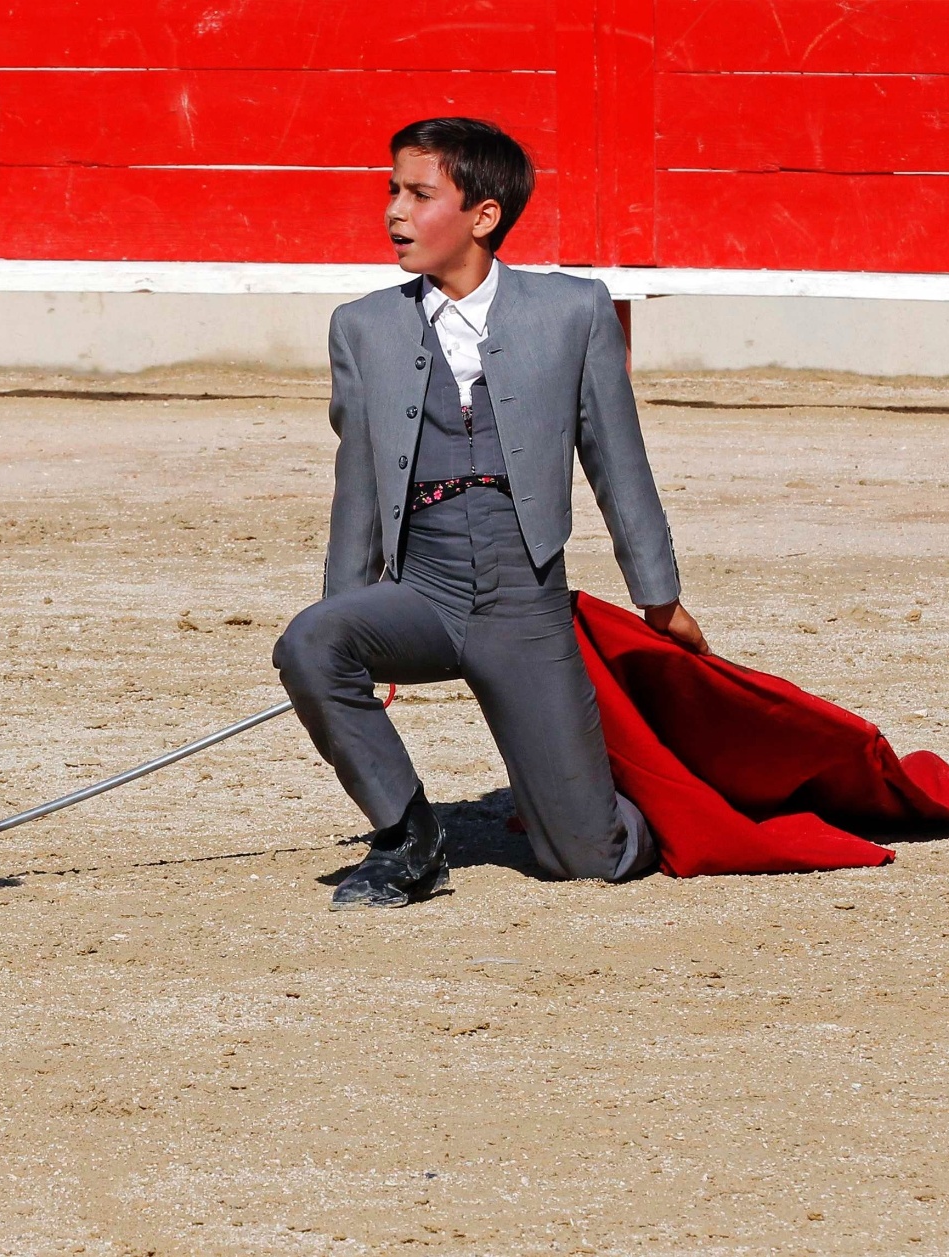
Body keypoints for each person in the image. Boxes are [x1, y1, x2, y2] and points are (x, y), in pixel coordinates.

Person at [273, 117, 710, 910]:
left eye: (418, 194)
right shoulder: (363, 326)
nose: (394, 213)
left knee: (588, 858)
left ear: (483, 215)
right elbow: (360, 490)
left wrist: (660, 595)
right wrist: (350, 616)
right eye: (391, 192)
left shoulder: (573, 311)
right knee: (311, 637)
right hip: (425, 593)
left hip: (524, 604)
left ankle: (645, 807)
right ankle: (409, 840)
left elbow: (618, 461)